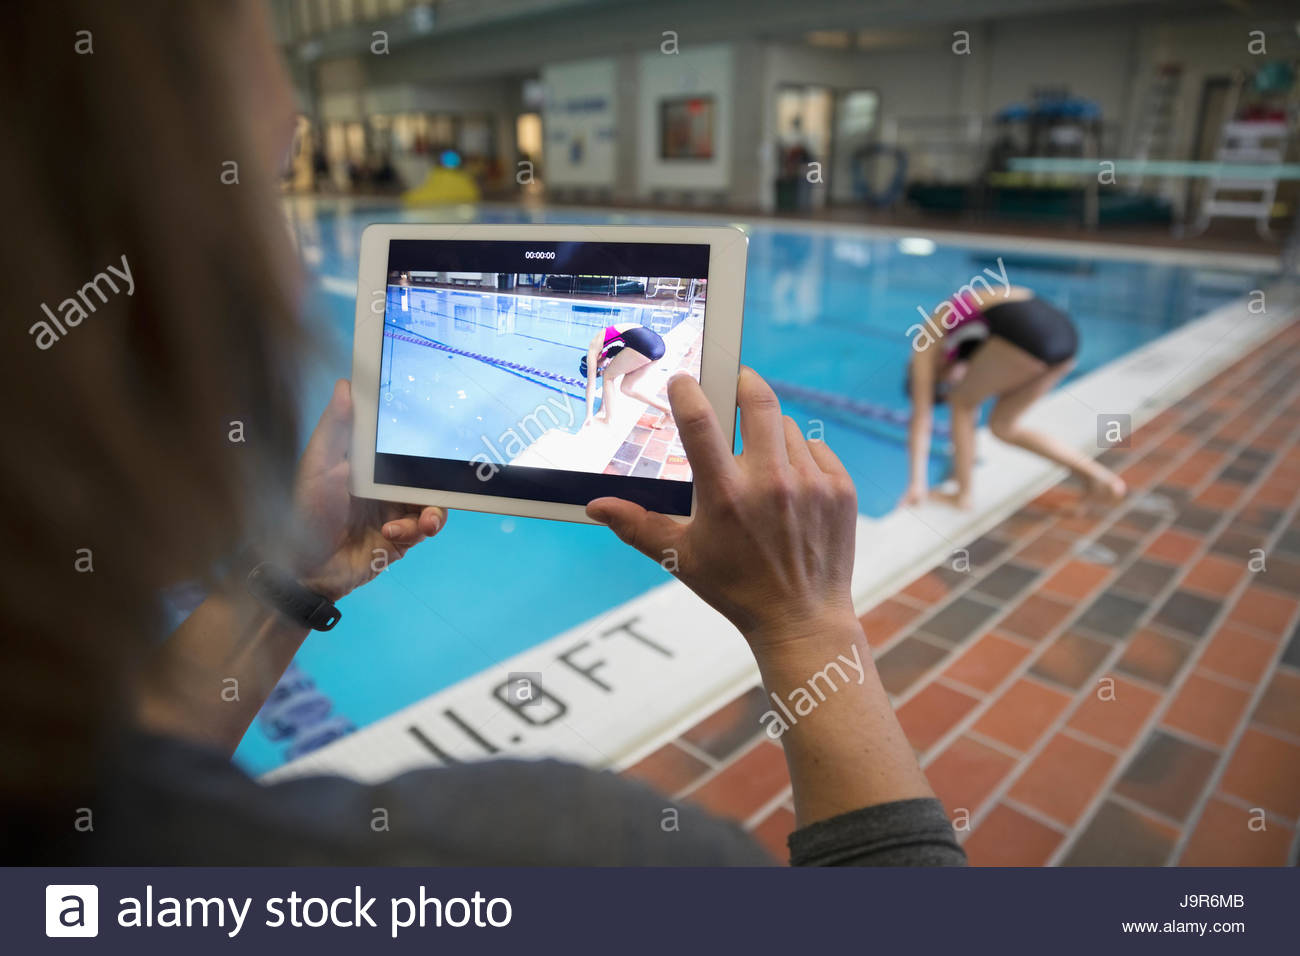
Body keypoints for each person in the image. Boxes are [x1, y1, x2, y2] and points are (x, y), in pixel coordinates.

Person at [1, 1, 963, 867]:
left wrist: (297, 581)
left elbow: (116, 774)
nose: (292, 277)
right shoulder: (572, 856)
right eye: (267, 182)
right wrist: (808, 629)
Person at [901, 283, 1127, 511]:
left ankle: (963, 495)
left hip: (1028, 332)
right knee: (1003, 426)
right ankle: (1099, 477)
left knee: (961, 403)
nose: (950, 381)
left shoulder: (923, 348)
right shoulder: (966, 336)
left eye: (943, 382)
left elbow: (921, 418)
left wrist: (916, 483)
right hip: (1066, 337)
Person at [581, 322, 673, 427]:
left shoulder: (593, 351)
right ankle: (669, 411)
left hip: (643, 344)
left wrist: (588, 415)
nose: (602, 367)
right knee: (627, 388)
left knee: (608, 377)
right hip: (658, 345)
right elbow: (608, 385)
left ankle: (608, 420)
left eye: (599, 368)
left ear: (595, 361)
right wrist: (601, 409)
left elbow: (591, 384)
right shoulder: (607, 349)